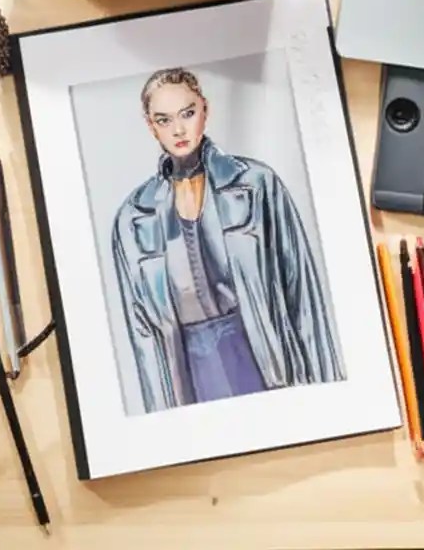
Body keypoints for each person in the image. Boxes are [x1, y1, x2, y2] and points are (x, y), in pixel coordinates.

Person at [111, 68, 345, 413]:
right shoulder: (132, 217)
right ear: (151, 126)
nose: (178, 129)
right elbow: (141, 332)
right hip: (188, 374)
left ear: (205, 109)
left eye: (187, 113)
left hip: (264, 357)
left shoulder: (257, 184)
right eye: (164, 120)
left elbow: (301, 293)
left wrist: (328, 395)